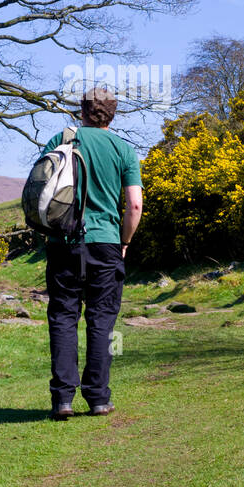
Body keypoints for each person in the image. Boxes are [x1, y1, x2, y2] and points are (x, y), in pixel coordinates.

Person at [40, 86, 142, 420]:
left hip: (63, 243)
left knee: (64, 318)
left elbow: (41, 189)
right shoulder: (124, 151)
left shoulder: (62, 139)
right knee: (101, 320)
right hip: (107, 243)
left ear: (81, 110)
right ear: (113, 113)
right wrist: (124, 241)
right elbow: (135, 205)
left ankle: (63, 400)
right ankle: (98, 398)